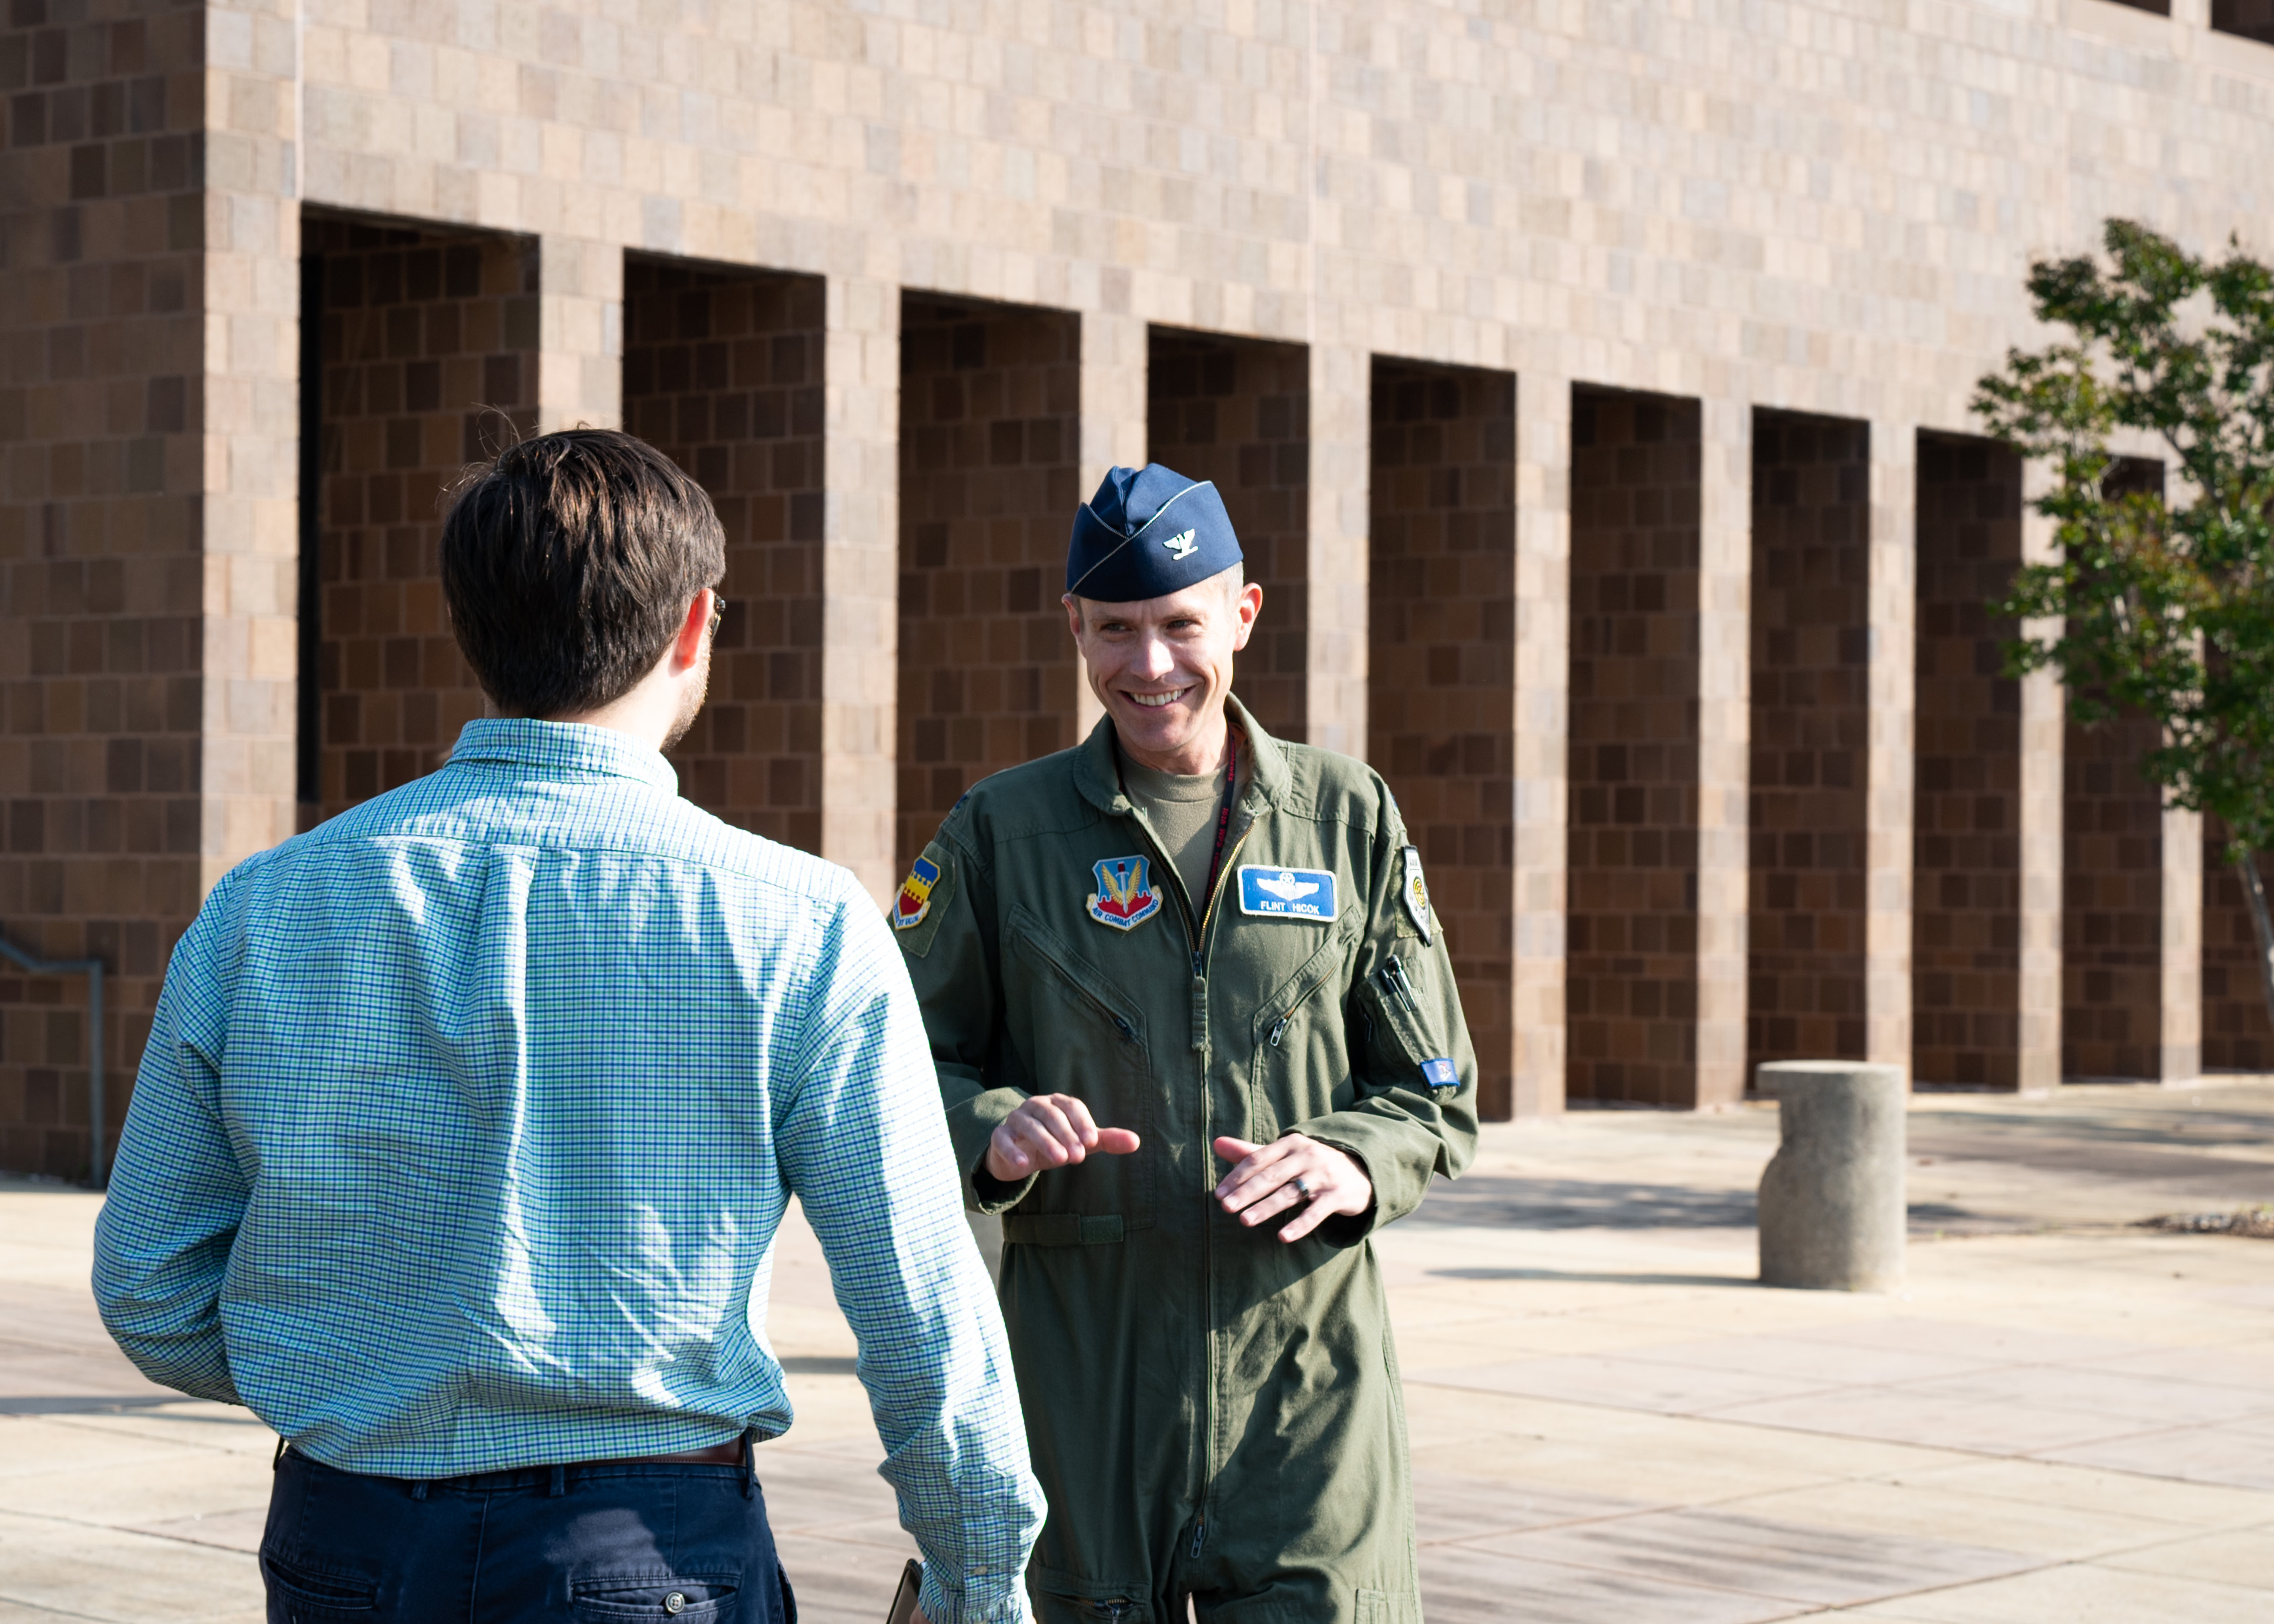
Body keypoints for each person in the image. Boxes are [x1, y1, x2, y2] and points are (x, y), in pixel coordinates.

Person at [93, 430, 1043, 1624]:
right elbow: (921, 1307)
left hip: (350, 1535)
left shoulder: (267, 906)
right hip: (655, 1546)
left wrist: (352, 1374)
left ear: (469, 628)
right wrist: (980, 1577)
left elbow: (147, 1282)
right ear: (698, 626)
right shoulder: (798, 920)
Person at [892, 463, 1480, 1622]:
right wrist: (989, 1128)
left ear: (1243, 615)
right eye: (1114, 628)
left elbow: (1434, 1089)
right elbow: (893, 1063)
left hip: (1307, 1390)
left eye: (1178, 624)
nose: (1148, 664)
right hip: (1082, 1392)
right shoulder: (1002, 832)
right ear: (1073, 625)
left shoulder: (1349, 815)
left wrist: (1354, 1156)